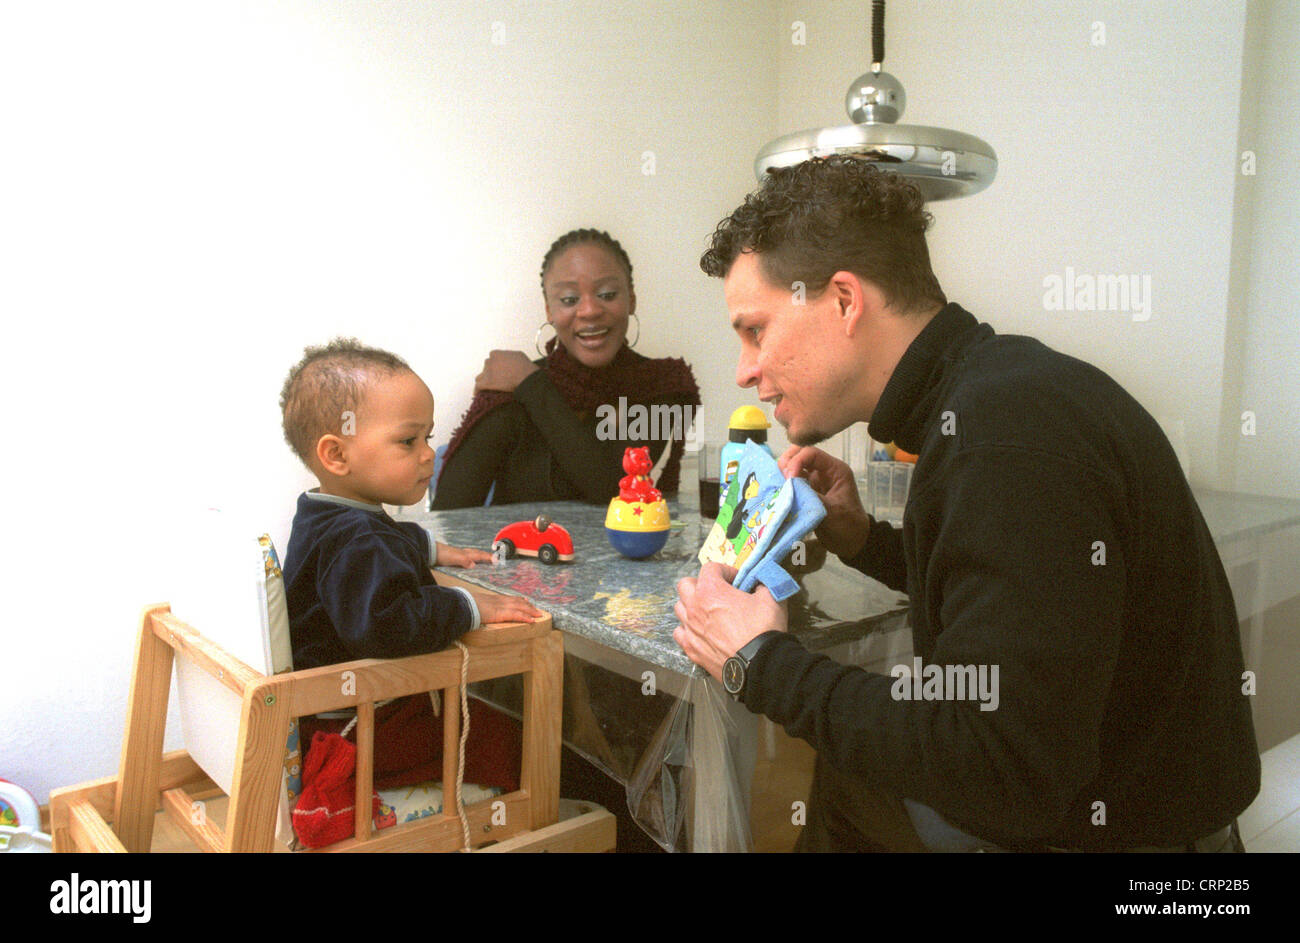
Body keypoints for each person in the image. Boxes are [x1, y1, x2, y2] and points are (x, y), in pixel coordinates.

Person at [673, 157, 1260, 852]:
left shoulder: (1006, 437)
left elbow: (1000, 771)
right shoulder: (996, 393)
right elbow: (1015, 594)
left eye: (754, 329)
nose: (745, 369)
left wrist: (761, 660)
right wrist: (867, 540)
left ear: (843, 300)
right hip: (1112, 808)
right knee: (846, 782)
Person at [280, 337, 542, 790]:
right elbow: (387, 625)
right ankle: (503, 826)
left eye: (428, 437)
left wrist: (434, 551)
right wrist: (469, 605)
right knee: (505, 736)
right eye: (408, 440)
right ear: (337, 455)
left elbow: (385, 541)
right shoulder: (355, 539)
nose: (427, 454)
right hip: (353, 727)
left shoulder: (324, 513)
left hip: (336, 712)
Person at [433, 229, 701, 508]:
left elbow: (615, 489)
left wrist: (530, 383)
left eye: (607, 294)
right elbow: (449, 516)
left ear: (631, 299)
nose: (589, 311)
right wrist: (528, 384)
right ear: (549, 310)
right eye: (569, 300)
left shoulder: (661, 386)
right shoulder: (509, 391)